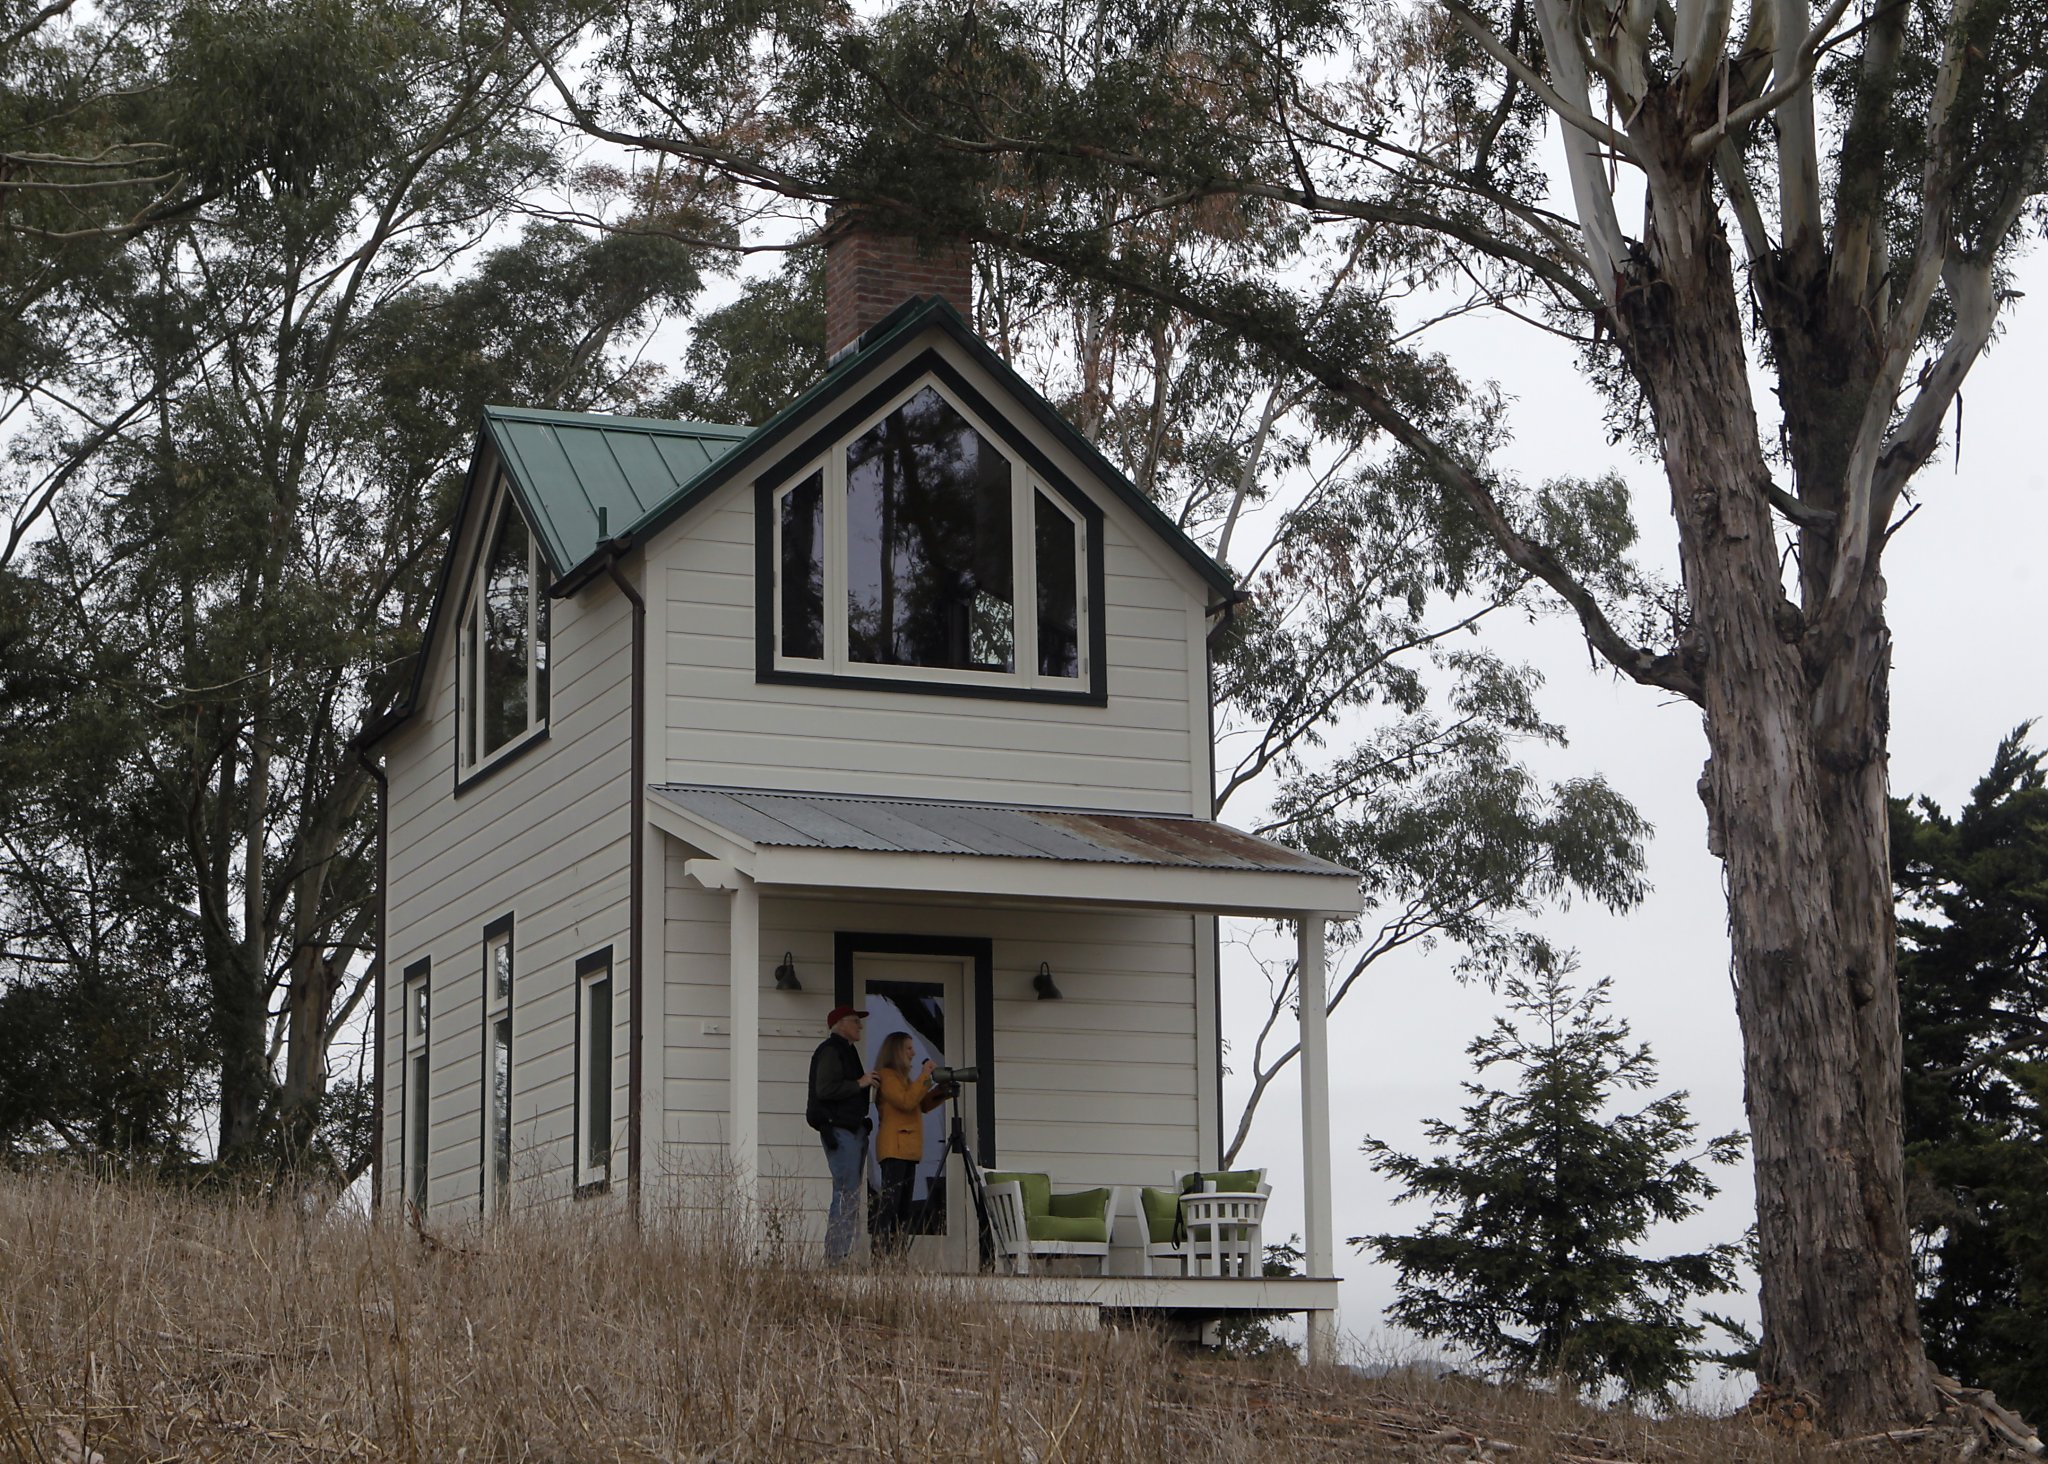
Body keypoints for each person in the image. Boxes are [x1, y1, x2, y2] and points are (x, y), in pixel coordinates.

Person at [807, 1005, 875, 1263]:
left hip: (852, 1129)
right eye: (855, 1021)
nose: (860, 1026)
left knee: (850, 1192)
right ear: (841, 1024)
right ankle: (836, 1256)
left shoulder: (846, 1051)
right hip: (839, 1129)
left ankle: (842, 1253)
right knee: (846, 1192)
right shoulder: (831, 1050)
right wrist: (861, 1083)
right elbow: (825, 1089)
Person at [870, 1031, 948, 1255]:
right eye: (908, 1048)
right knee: (890, 1205)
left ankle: (897, 1254)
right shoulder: (887, 1076)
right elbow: (906, 1101)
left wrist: (942, 1091)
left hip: (907, 1150)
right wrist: (925, 1075)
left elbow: (920, 1104)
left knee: (903, 1208)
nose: (913, 1053)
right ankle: (882, 1253)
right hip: (894, 1149)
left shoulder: (902, 1078)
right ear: (896, 1051)